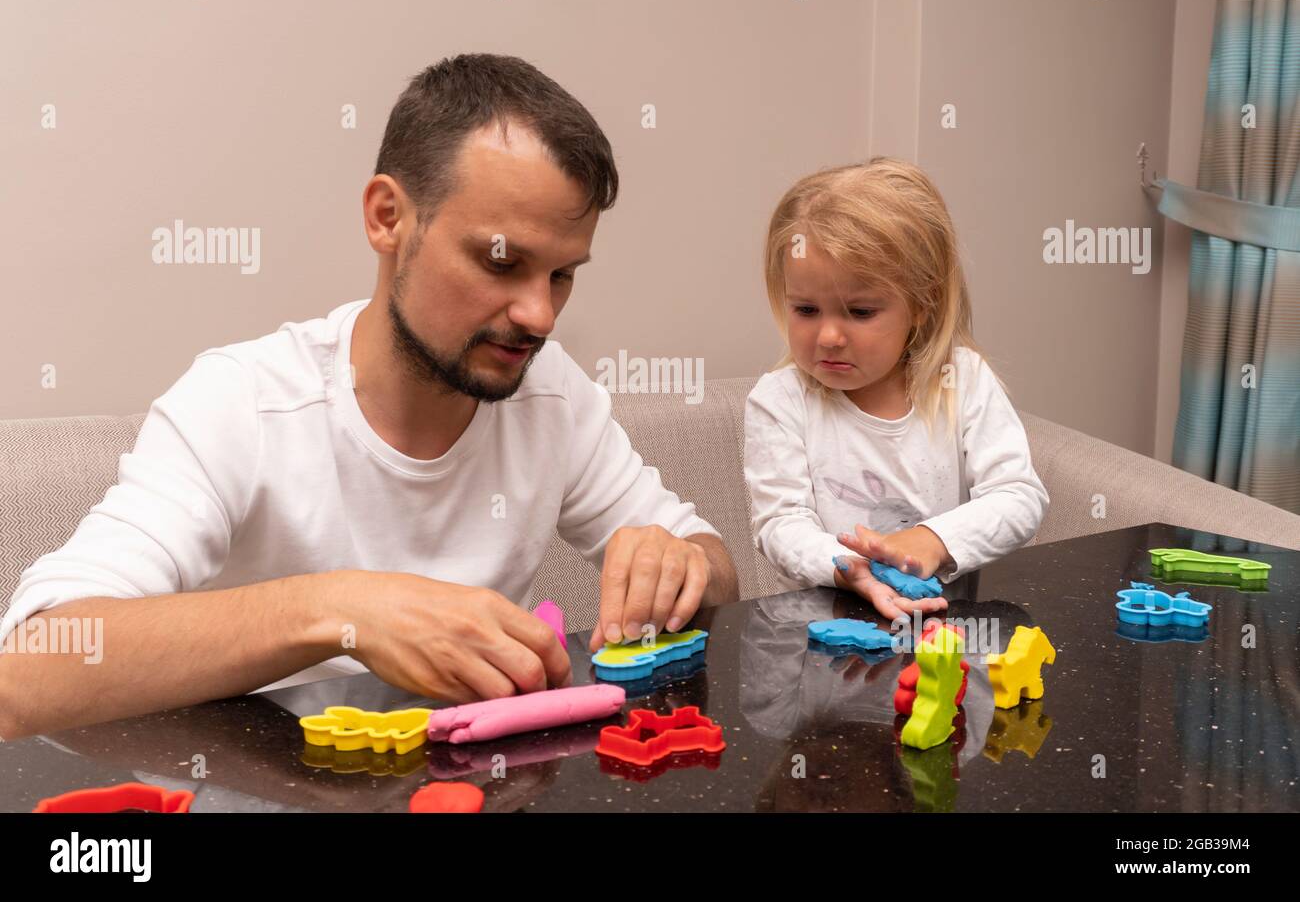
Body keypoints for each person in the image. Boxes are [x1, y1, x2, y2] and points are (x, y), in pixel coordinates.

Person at [0, 53, 738, 739]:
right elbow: (25, 677)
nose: (540, 316)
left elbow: (718, 568)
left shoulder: (551, 395)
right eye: (501, 261)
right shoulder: (243, 403)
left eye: (562, 275)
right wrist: (338, 609)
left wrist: (684, 565)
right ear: (389, 217)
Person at [744, 157, 1047, 622]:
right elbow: (781, 525)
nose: (828, 336)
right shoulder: (780, 401)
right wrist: (849, 568)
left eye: (860, 312)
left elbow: (1018, 496)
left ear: (922, 304)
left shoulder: (961, 381)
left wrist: (930, 540)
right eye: (806, 309)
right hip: (820, 638)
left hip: (942, 633)